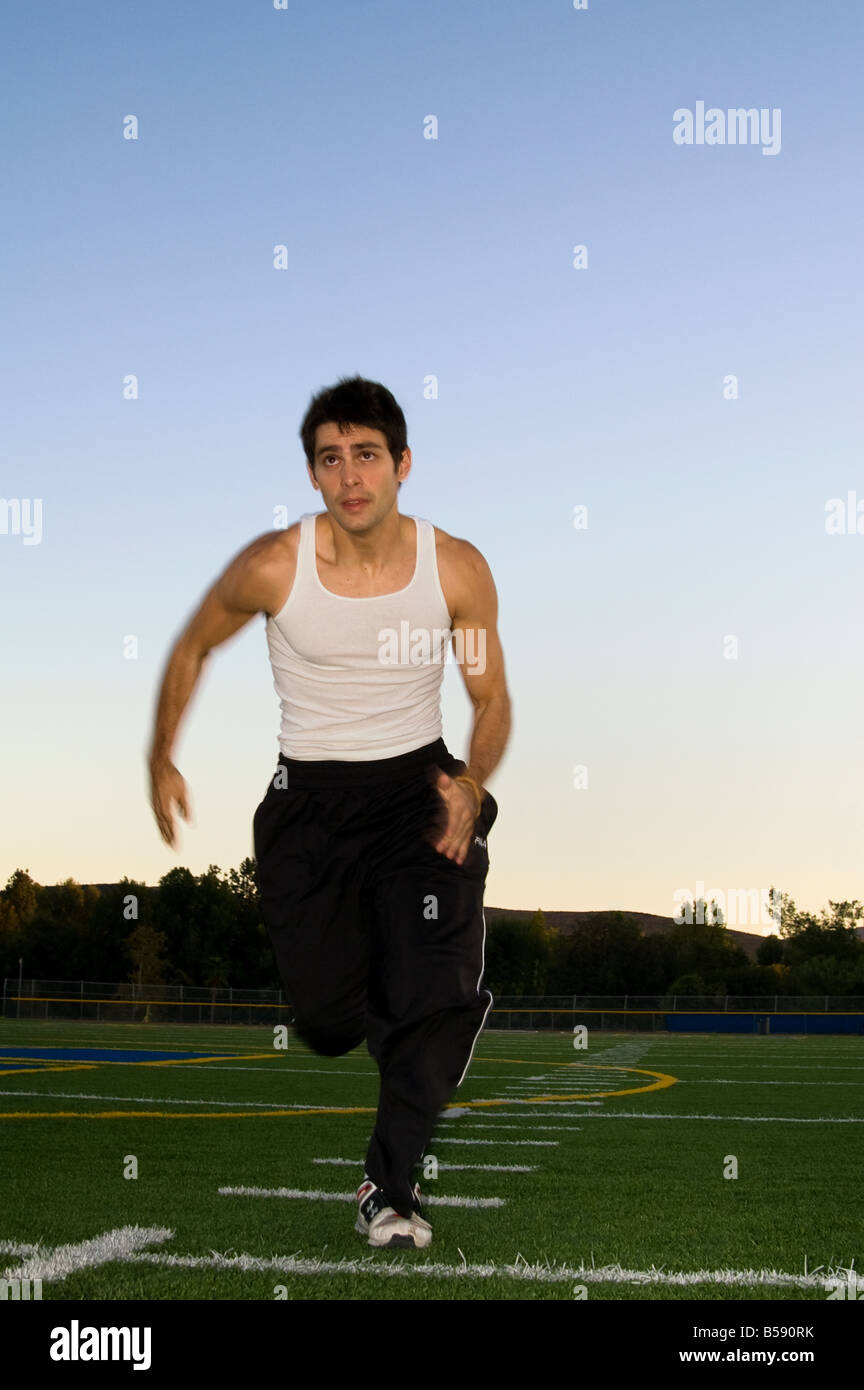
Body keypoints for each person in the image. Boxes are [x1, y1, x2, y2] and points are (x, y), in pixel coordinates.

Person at [148, 376, 511, 1250]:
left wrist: (471, 780)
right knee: (327, 1022)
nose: (350, 476)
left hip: (418, 797)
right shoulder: (275, 563)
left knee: (437, 994)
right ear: (312, 474)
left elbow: (490, 696)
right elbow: (194, 643)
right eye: (330, 458)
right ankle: (397, 1011)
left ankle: (389, 1187)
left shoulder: (453, 566)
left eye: (367, 456)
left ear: (402, 465)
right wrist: (161, 752)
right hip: (308, 806)